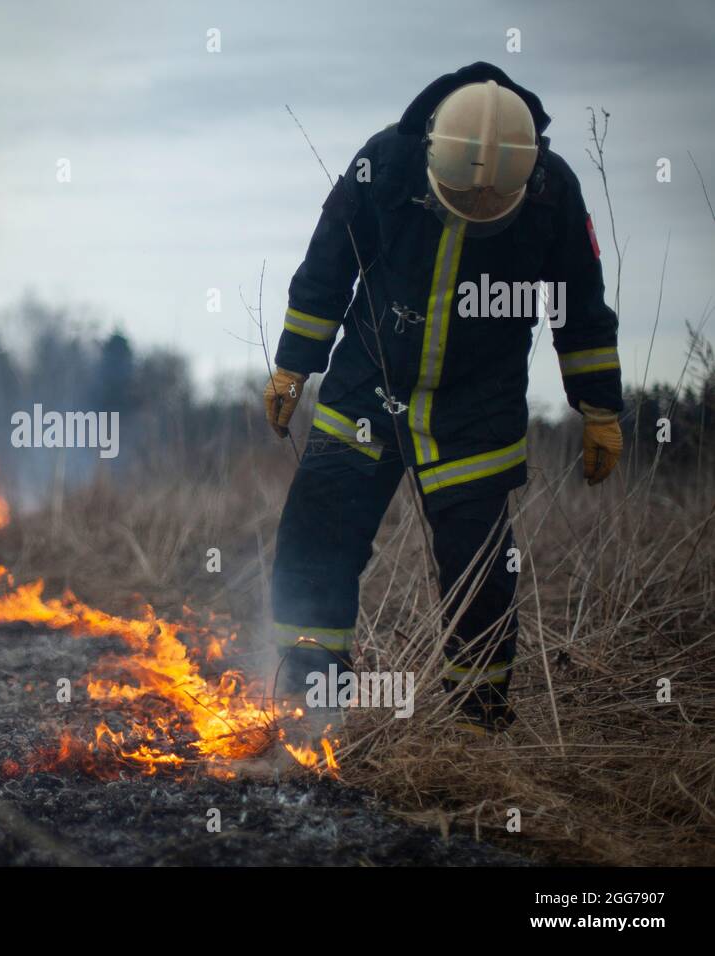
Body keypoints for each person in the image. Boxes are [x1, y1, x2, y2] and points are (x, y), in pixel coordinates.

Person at [263, 62, 623, 735]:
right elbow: (325, 270)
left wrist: (599, 406)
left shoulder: (552, 192)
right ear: (431, 156)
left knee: (478, 571)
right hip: (366, 391)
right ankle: (310, 701)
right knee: (318, 536)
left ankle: (475, 722)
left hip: (474, 409)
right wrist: (293, 366)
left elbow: (580, 308)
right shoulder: (384, 164)